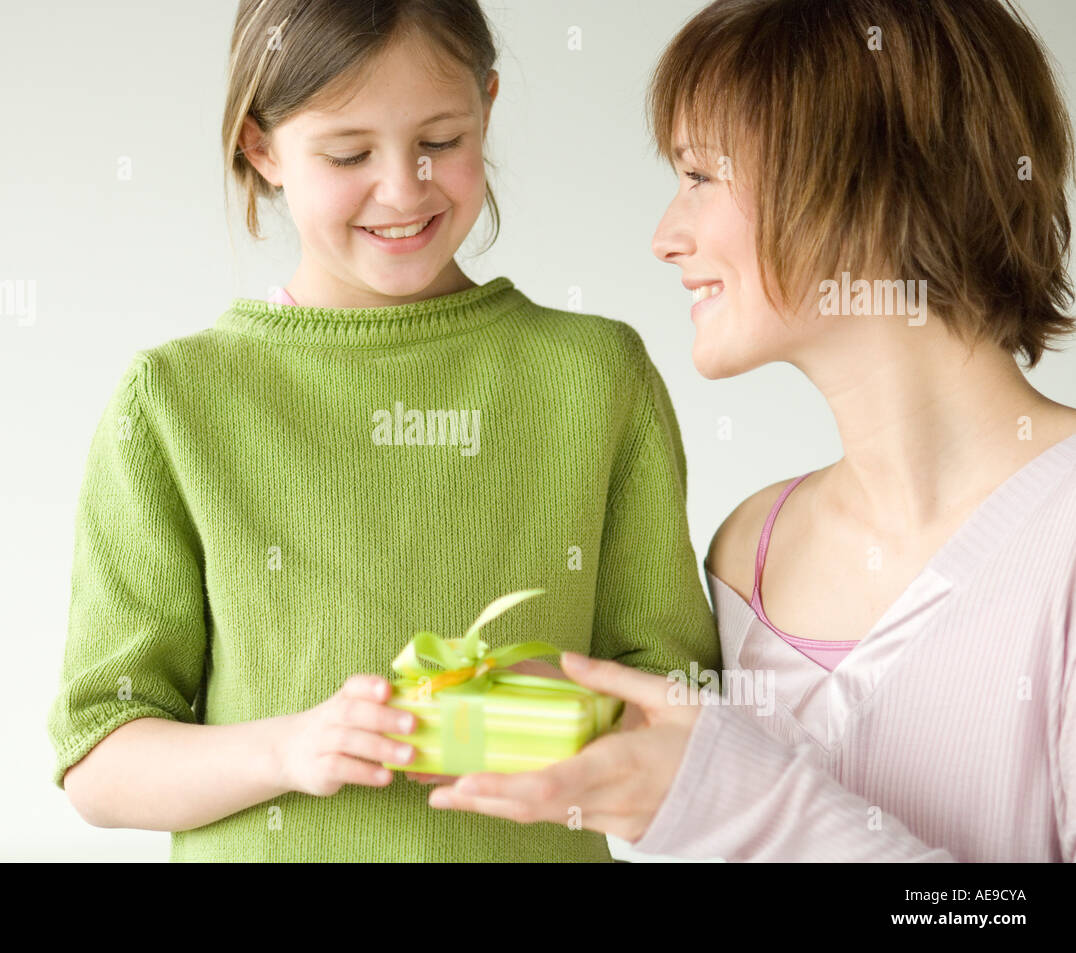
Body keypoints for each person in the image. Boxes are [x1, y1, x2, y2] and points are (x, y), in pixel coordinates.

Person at [45, 0, 720, 862]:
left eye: (441, 139)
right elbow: (99, 761)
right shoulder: (173, 402)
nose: (403, 189)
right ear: (261, 148)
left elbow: (685, 712)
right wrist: (290, 749)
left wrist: (540, 715)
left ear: (489, 106)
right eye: (349, 153)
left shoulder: (596, 375)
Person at [428, 0, 1076, 862]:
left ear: (868, 180)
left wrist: (744, 798)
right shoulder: (749, 554)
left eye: (700, 176)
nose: (665, 237)